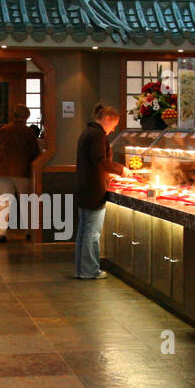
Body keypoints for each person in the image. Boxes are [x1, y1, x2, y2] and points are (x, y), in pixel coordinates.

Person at [73, 103, 126, 279]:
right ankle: (90, 270)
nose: (113, 130)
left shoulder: (87, 132)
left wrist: (109, 175)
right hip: (94, 190)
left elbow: (93, 162)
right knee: (92, 232)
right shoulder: (98, 135)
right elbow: (100, 160)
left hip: (84, 187)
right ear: (108, 119)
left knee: (83, 230)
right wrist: (121, 170)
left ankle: (82, 269)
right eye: (114, 125)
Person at [0, 106, 42, 243]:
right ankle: (29, 232)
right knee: (26, 202)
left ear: (13, 115)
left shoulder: (4, 130)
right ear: (27, 116)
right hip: (22, 171)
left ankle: (0, 233)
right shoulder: (28, 132)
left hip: (3, 170)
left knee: (3, 202)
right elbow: (35, 152)